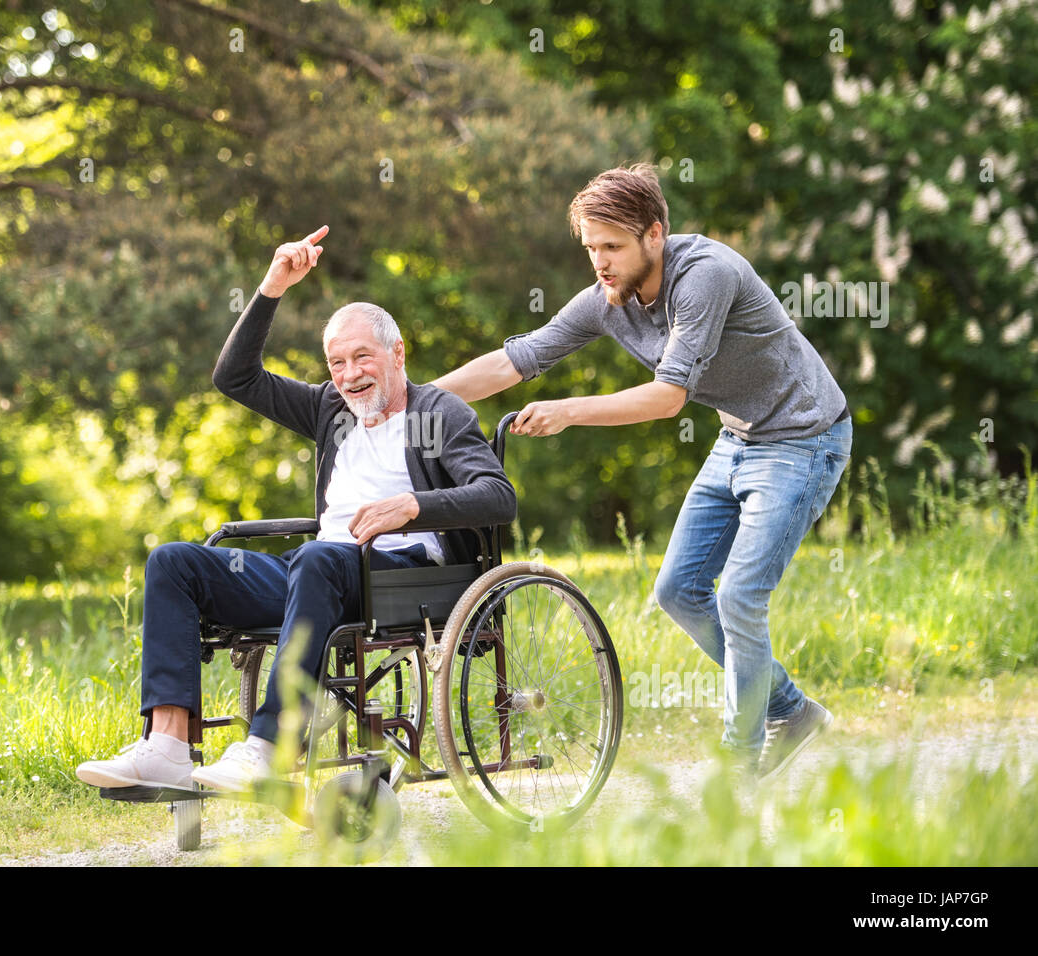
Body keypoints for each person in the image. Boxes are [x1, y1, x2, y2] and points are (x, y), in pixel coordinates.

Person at [432, 164, 852, 780]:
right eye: (591, 248)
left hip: (803, 439)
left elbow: (667, 398)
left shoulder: (704, 275)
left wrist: (568, 411)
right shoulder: (609, 300)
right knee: (677, 592)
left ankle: (738, 766)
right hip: (739, 436)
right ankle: (791, 711)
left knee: (738, 595)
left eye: (613, 246)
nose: (600, 262)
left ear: (654, 235)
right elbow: (516, 361)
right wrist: (410, 403)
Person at [76, 225, 516, 794]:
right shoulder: (329, 408)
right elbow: (234, 377)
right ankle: (166, 746)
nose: (350, 375)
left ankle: (265, 747)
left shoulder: (439, 413)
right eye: (337, 362)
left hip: (403, 576)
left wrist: (411, 507)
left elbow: (498, 497)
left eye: (363, 357)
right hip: (319, 571)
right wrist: (272, 287)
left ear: (397, 353)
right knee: (173, 562)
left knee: (317, 558)